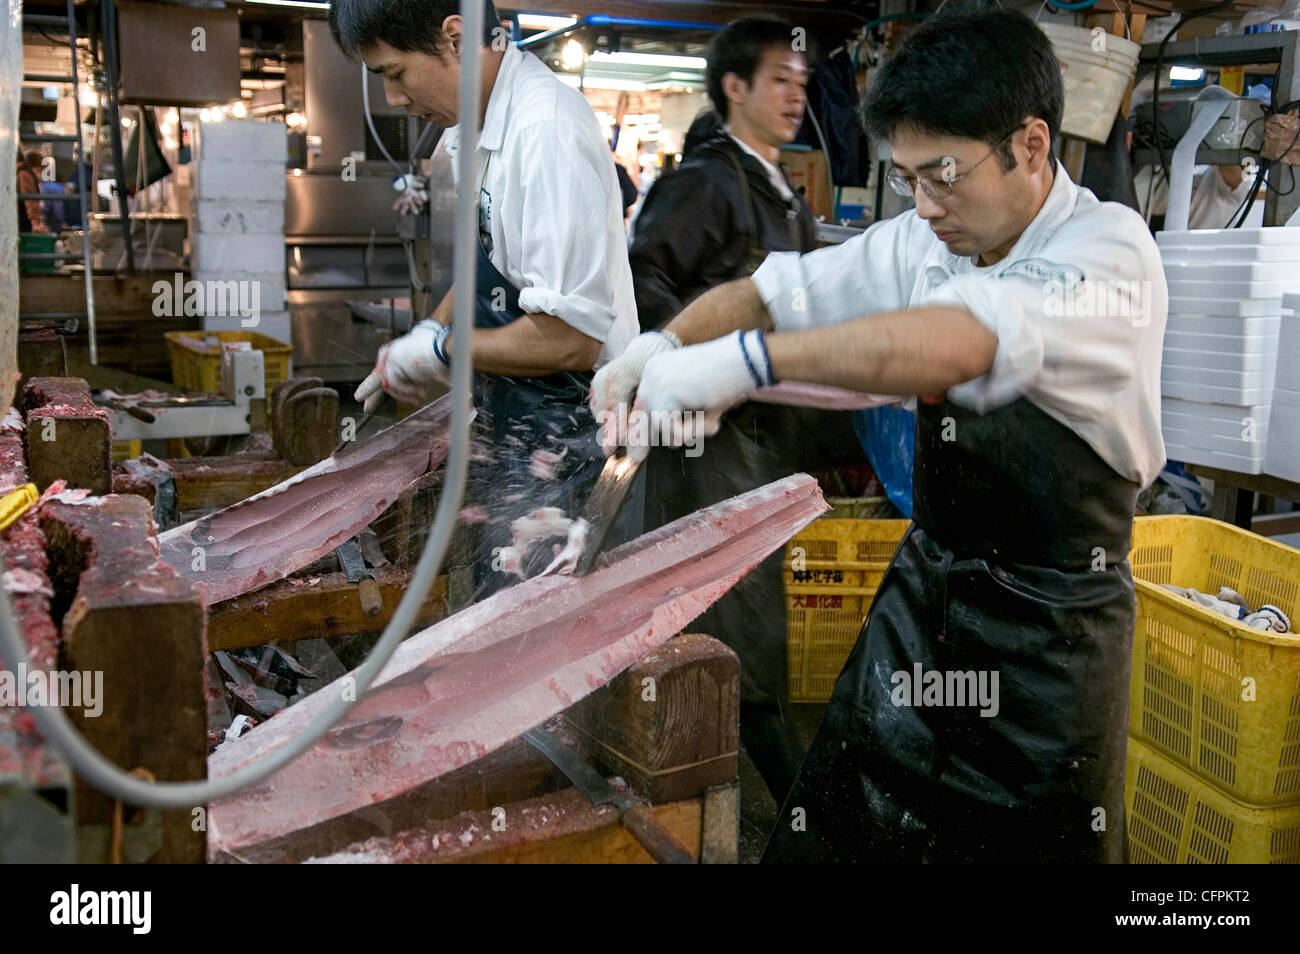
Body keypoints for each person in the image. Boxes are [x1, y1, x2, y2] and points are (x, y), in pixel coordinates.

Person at [591, 4, 1166, 863]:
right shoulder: (925, 236)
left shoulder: (1106, 252)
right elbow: (775, 288)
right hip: (923, 602)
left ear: (1032, 146)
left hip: (1050, 650)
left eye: (942, 175)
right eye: (907, 179)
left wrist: (745, 366)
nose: (924, 204)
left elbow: (961, 340)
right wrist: (668, 344)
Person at [332, 0, 637, 593]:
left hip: (577, 437)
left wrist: (443, 350)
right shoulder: (468, 130)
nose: (394, 99)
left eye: (394, 74)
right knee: (497, 628)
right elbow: (486, 262)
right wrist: (425, 334)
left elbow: (572, 338)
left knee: (549, 648)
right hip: (521, 422)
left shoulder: (545, 130)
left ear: (453, 37)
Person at [624, 15, 849, 807]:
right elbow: (641, 285)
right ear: (734, 88)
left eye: (801, 81)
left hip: (762, 441)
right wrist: (693, 369)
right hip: (711, 447)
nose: (796, 96)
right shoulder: (708, 182)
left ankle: (726, 785)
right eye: (779, 81)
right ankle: (787, 809)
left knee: (746, 619)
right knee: (740, 624)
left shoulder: (775, 186)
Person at [16, 150, 47, 232]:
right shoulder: (25, 175)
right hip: (24, 218)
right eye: (40, 169)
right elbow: (29, 199)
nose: (39, 173)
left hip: (23, 216)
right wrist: (35, 222)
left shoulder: (24, 173)